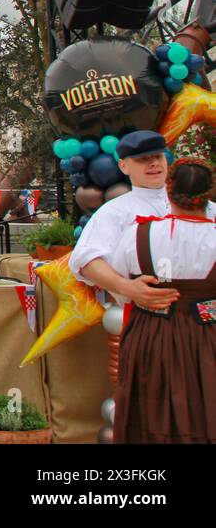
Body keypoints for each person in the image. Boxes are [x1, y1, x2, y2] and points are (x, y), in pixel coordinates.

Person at [109, 157, 216, 443]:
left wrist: (143, 297)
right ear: (208, 194)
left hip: (150, 333)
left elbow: (121, 288)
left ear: (169, 190)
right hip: (208, 336)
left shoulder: (138, 234)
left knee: (151, 413)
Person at [69, 130, 211, 312]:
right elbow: (86, 260)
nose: (153, 163)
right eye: (142, 159)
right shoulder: (114, 212)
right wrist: (126, 287)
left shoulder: (204, 206)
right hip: (147, 318)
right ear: (123, 166)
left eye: (158, 156)